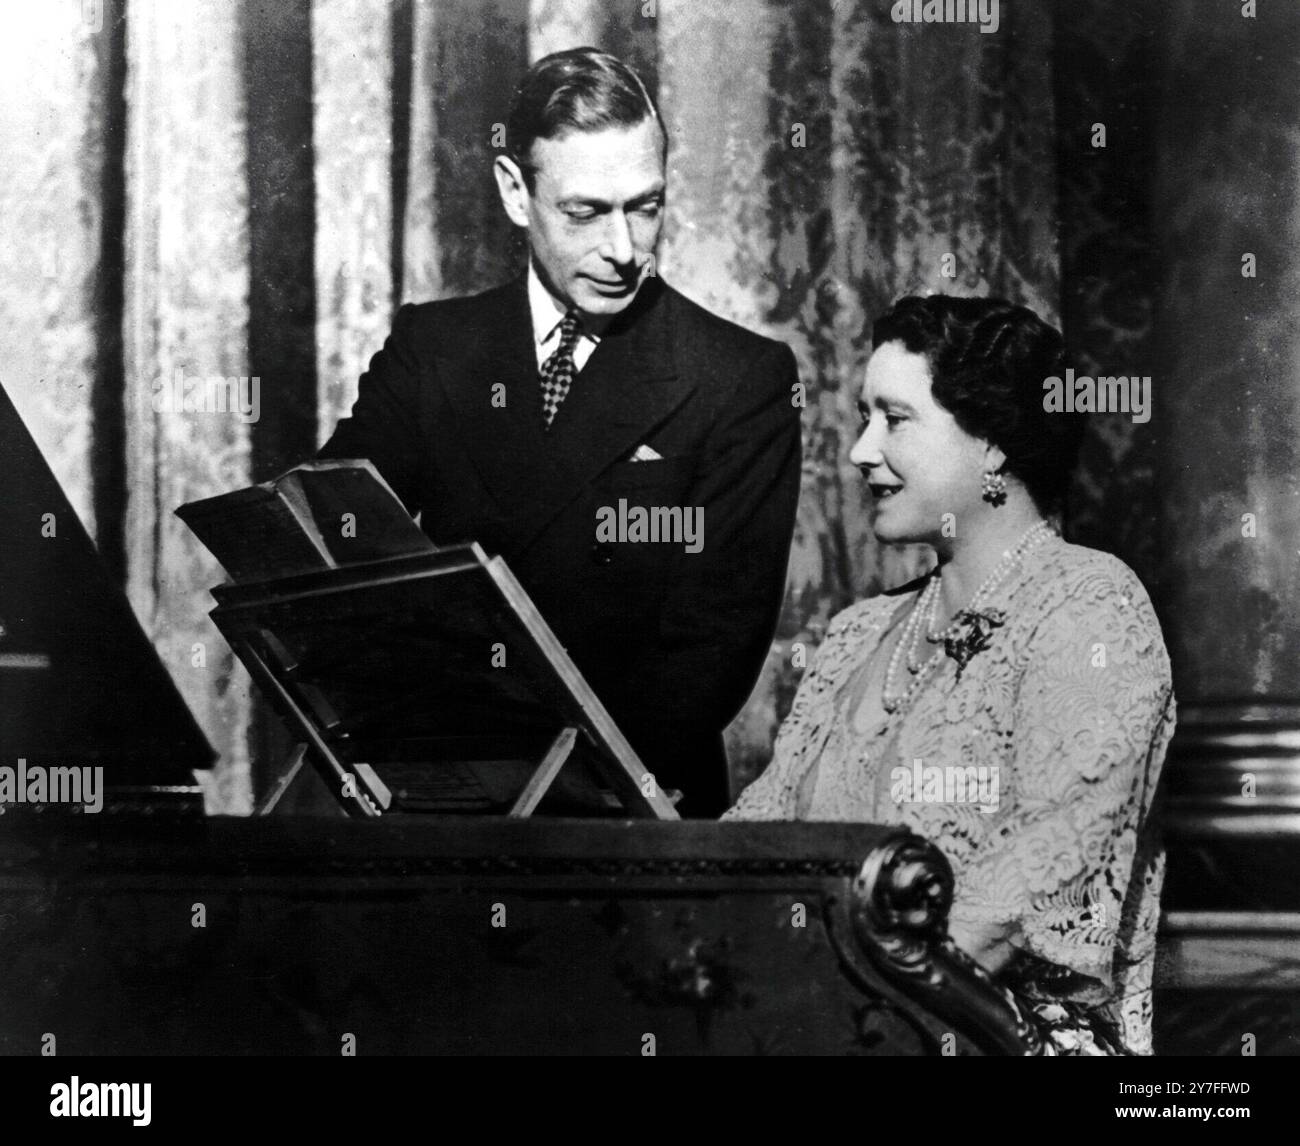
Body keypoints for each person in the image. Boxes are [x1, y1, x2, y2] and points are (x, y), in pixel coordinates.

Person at [317, 48, 802, 817]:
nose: (622, 250)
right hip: (440, 806)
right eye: (585, 212)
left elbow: (712, 650)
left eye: (644, 207)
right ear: (517, 192)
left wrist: (541, 787)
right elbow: (328, 531)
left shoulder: (740, 379)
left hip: (624, 817)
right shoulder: (433, 348)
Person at [724, 295, 1175, 1055]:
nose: (862, 450)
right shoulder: (857, 633)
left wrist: (835, 1003)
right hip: (834, 1025)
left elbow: (1031, 883)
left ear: (993, 444)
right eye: (866, 417)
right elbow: (755, 849)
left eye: (894, 420)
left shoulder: (1092, 608)